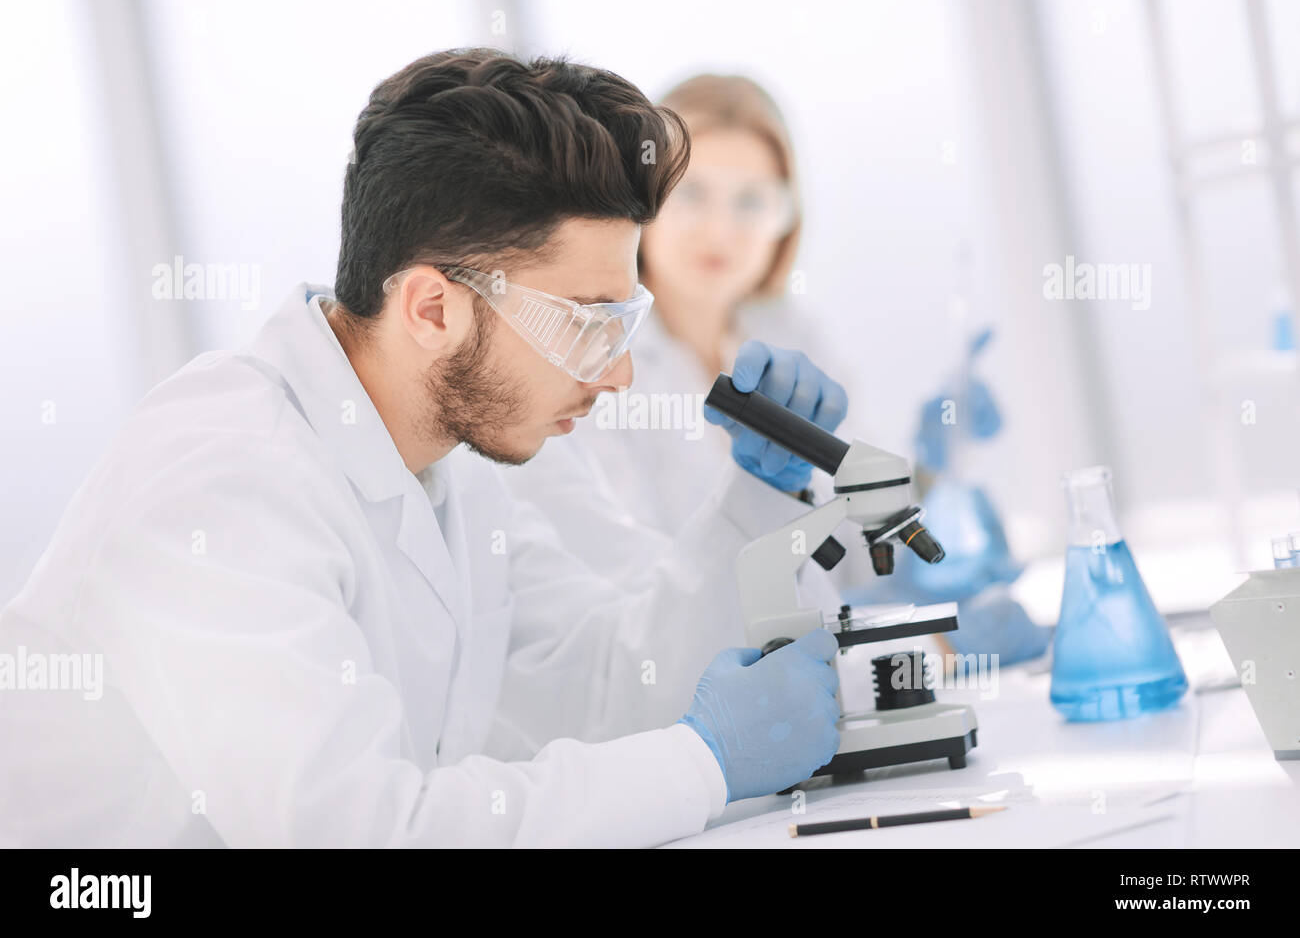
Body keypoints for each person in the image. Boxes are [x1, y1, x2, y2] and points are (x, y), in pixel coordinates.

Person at [0, 49, 850, 848]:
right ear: (432, 310)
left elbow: (598, 683)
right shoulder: (222, 483)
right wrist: (704, 763)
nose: (621, 373)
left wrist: (753, 499)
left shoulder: (448, 467)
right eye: (586, 322)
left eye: (624, 323)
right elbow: (363, 832)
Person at [504, 74, 1050, 670]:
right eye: (692, 195)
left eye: (752, 201)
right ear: (645, 201)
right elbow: (637, 591)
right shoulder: (590, 362)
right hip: (698, 679)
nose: (722, 229)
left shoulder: (788, 332)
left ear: (785, 220)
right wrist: (925, 644)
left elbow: (856, 533)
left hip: (813, 661)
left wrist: (934, 474)